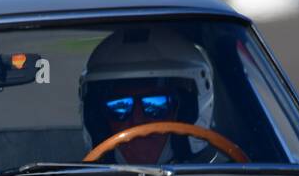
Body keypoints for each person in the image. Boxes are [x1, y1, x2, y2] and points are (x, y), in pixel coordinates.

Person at [78, 27, 216, 165]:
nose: (138, 119)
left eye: (156, 105)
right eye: (119, 107)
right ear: (98, 119)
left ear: (186, 112)